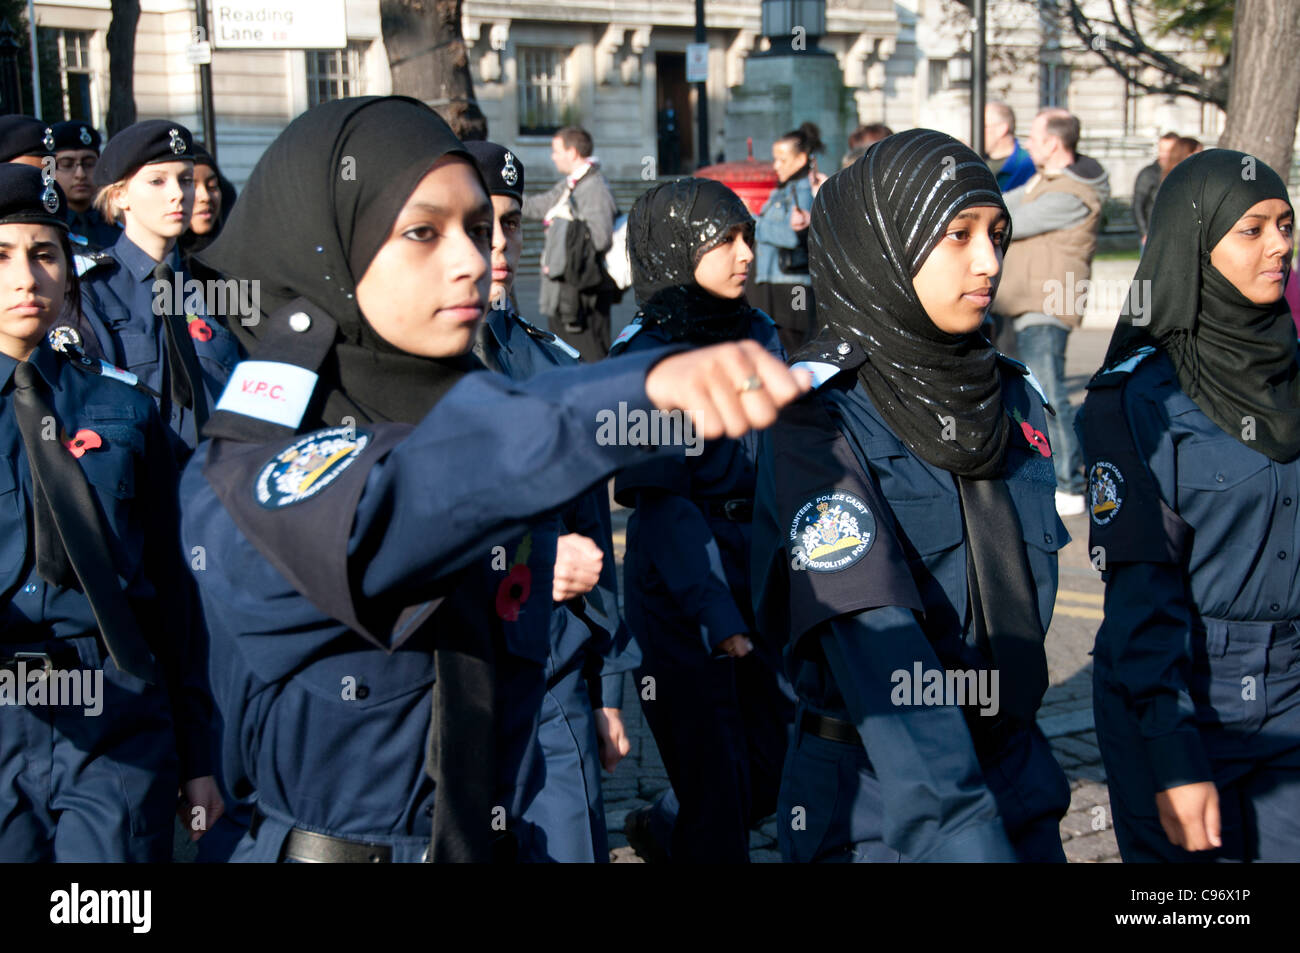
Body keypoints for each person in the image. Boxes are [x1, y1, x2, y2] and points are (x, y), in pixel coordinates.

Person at [180, 95, 808, 863]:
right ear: (328, 245)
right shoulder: (251, 463)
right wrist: (632, 393)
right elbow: (415, 488)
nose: (474, 259)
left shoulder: (482, 403)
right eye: (422, 232)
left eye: (480, 229)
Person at [752, 129, 1072, 863]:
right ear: (885, 246)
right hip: (884, 799)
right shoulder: (815, 413)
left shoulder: (1009, 397)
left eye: (997, 234)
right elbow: (873, 636)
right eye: (956, 236)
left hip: (1017, 769)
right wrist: (964, 833)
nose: (988, 261)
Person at [1077, 149, 1300, 862]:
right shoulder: (1136, 399)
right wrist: (1172, 749)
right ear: (1195, 244)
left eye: (1286, 225)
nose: (1280, 246)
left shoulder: (1291, 371)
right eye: (1253, 229)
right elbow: (1142, 593)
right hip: (1179, 686)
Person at [0, 163, 221, 860]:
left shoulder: (123, 405)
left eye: (44, 254)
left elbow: (175, 593)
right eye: (2, 256)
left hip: (115, 699)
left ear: (69, 271)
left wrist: (199, 752)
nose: (25, 279)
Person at [610, 178, 795, 862]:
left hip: (759, 563)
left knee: (775, 761)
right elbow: (661, 505)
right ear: (676, 250)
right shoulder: (643, 354)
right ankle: (689, 823)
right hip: (685, 588)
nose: (744, 253)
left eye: (747, 236)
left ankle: (666, 823)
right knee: (718, 787)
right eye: (724, 241)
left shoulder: (759, 329)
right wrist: (717, 613)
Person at [464, 139, 637, 861]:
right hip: (452, 689)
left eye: (508, 224)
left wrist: (611, 690)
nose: (499, 245)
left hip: (552, 686)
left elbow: (594, 540)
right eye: (480, 226)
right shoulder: (390, 379)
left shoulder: (549, 364)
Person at [79, 120, 241, 459]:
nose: (178, 193)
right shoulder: (92, 290)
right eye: (157, 181)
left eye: (185, 179)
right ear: (120, 194)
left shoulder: (220, 284)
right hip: (141, 485)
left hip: (218, 481)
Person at [994, 108, 1109, 517]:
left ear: (1054, 143)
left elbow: (1011, 218)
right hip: (1026, 304)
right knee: (1032, 393)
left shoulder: (1072, 193)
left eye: (1035, 137)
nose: (1028, 144)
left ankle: (1070, 484)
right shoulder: (1046, 182)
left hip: (1048, 304)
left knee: (1050, 394)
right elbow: (1004, 205)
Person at [520, 126, 618, 363]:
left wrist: (564, 233)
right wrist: (504, 194)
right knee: (566, 358)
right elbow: (537, 205)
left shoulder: (594, 187)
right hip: (566, 295)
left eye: (556, 150)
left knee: (590, 360)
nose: (553, 156)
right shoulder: (572, 184)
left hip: (582, 298)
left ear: (572, 152)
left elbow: (600, 237)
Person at [752, 122, 823, 356]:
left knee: (793, 351)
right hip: (778, 282)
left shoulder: (801, 192)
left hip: (792, 286)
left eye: (782, 160)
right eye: (775, 159)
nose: (775, 166)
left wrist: (755, 224)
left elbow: (792, 235)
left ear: (801, 159)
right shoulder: (786, 190)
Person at [49, 120, 120, 252]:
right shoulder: (48, 229)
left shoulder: (120, 229)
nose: (80, 174)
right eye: (67, 164)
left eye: (89, 164)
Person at [179, 142, 237, 282]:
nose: (205, 197)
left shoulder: (238, 258)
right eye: (191, 185)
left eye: (212, 186)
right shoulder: (163, 265)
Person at [1132, 132, 1178, 245]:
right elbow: (1138, 204)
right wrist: (1144, 233)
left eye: (1168, 151)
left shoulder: (1182, 174)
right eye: (1161, 150)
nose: (1164, 155)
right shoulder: (1148, 174)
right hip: (1153, 234)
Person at [984, 102, 1035, 192]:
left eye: (983, 126)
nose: (977, 132)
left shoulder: (1028, 166)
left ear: (1001, 129)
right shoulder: (975, 160)